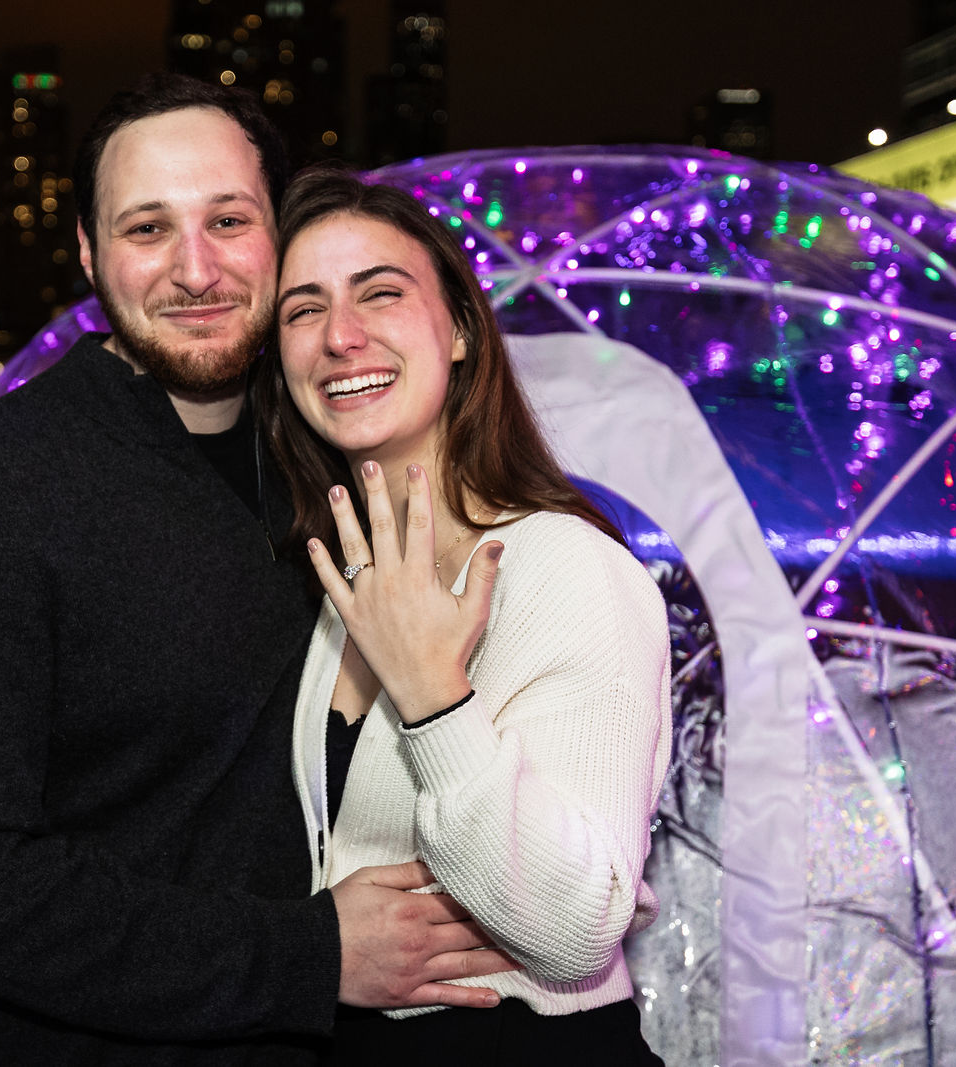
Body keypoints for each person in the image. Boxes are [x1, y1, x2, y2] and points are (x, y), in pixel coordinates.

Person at [0, 75, 513, 1065]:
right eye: (147, 228)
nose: (196, 268)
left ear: (280, 234)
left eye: (228, 220)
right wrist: (307, 953)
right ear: (89, 252)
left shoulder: (334, 447)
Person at [253, 168, 672, 1062]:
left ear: (461, 332)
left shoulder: (570, 568)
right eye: (303, 309)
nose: (341, 336)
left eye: (381, 293)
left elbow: (577, 929)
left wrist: (434, 697)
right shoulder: (342, 582)